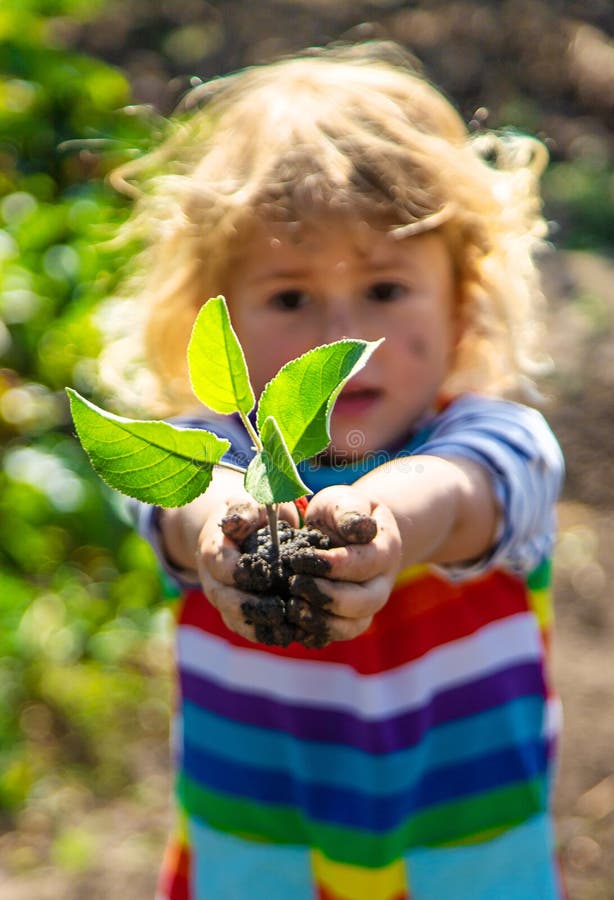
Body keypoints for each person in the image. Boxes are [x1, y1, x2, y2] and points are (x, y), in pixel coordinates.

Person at [101, 41, 565, 899]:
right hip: (256, 867)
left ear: (462, 305)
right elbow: (172, 499)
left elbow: (460, 490)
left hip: (466, 869)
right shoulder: (213, 457)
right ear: (216, 321)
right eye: (289, 298)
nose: (338, 339)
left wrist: (379, 522)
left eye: (387, 290)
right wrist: (225, 530)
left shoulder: (503, 440)